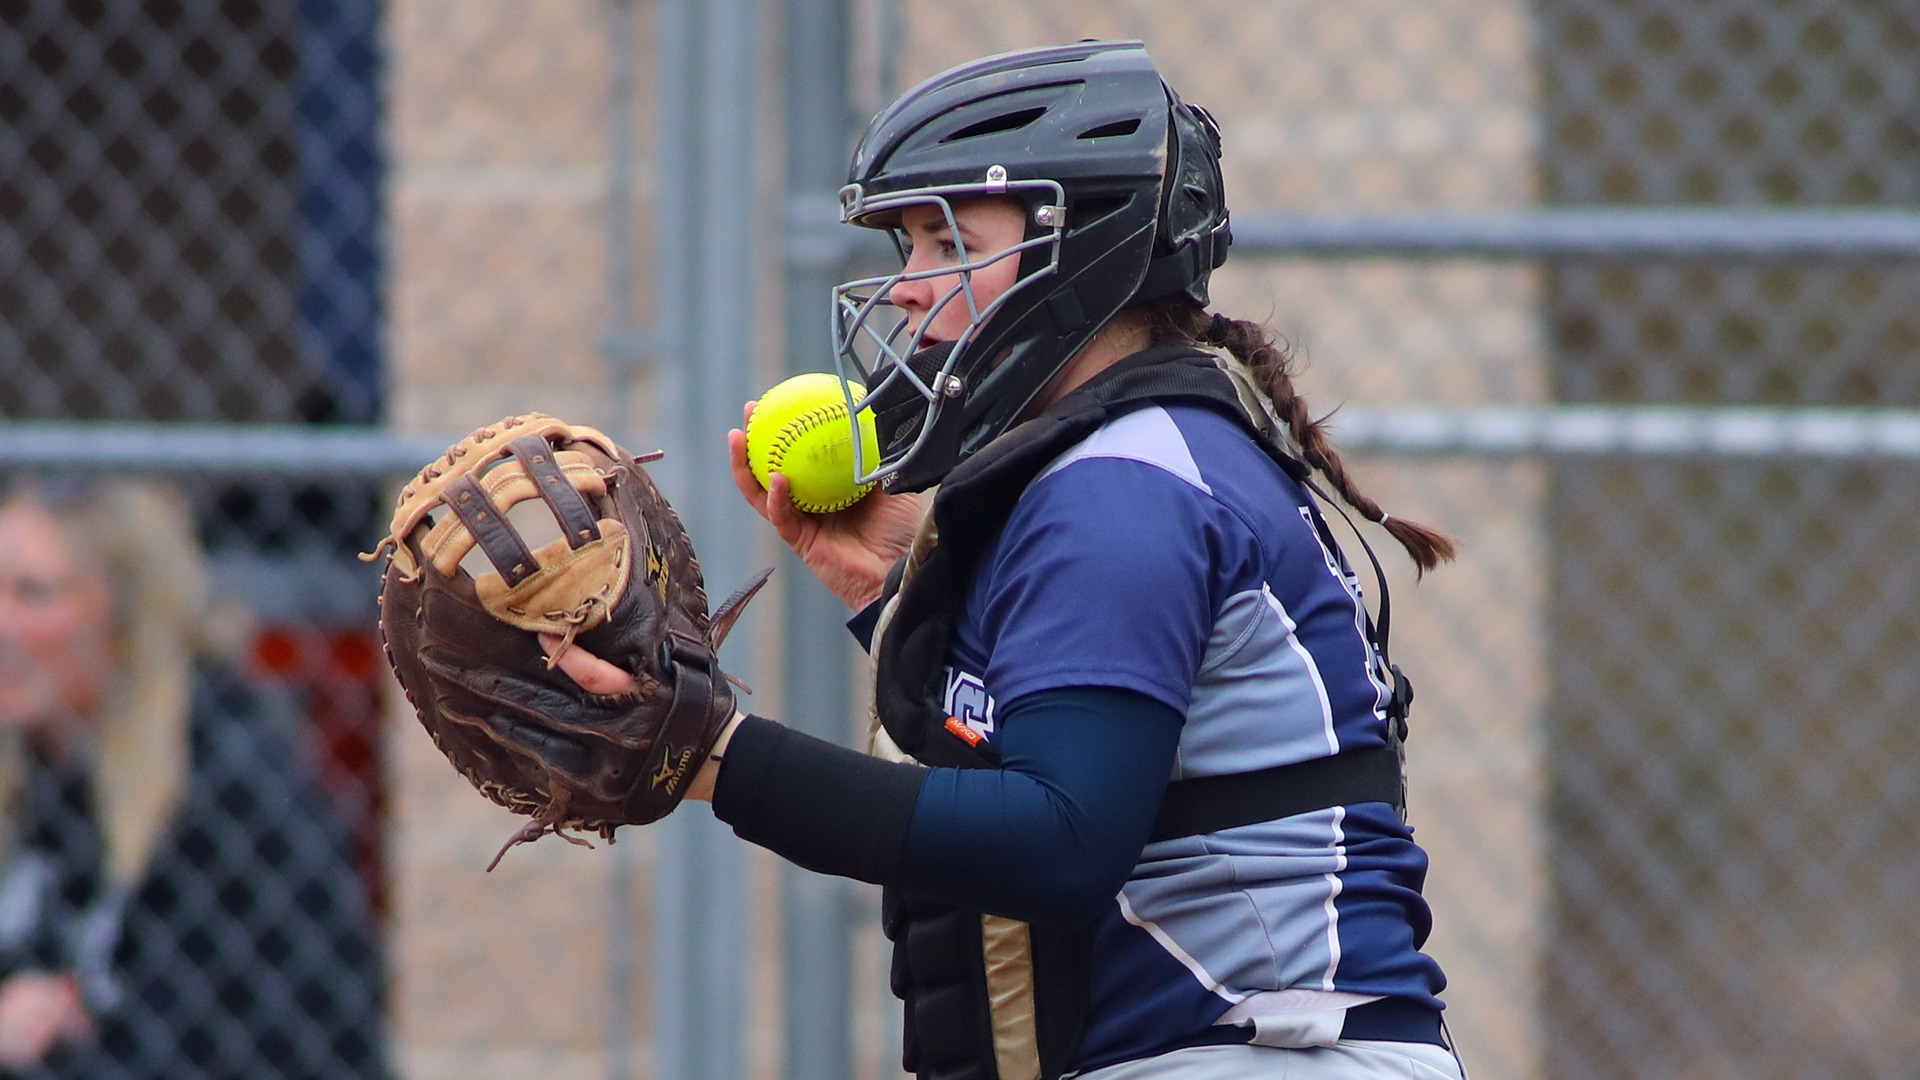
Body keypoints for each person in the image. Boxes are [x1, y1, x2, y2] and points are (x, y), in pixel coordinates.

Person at [556, 39, 1467, 1080]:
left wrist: (710, 753)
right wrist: (895, 596)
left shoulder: (1122, 487)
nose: (906, 288)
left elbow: (1058, 842)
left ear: (1077, 252)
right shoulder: (1148, 454)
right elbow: (1079, 752)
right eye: (906, 245)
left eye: (945, 241)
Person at [0, 478, 391, 1080]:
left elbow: (225, 1045)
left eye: (33, 593)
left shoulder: (228, 791)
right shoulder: (43, 775)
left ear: (125, 619)